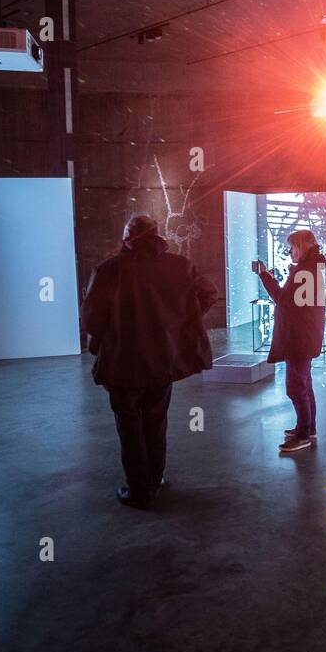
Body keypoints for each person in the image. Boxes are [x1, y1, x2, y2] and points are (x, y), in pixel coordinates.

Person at [81, 214, 218, 507]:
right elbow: (208, 293)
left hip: (121, 364)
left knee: (129, 425)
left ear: (127, 237)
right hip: (162, 360)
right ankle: (155, 478)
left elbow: (92, 318)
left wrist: (100, 340)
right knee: (156, 420)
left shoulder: (109, 270)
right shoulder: (179, 266)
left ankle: (139, 490)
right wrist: (183, 322)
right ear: (156, 235)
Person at [254, 229, 326, 454]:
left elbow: (284, 299)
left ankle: (303, 435)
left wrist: (265, 276)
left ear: (301, 246)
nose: (290, 252)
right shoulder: (311, 269)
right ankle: (307, 429)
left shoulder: (305, 271)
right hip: (304, 337)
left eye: (292, 247)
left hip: (298, 338)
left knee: (297, 388)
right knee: (304, 385)